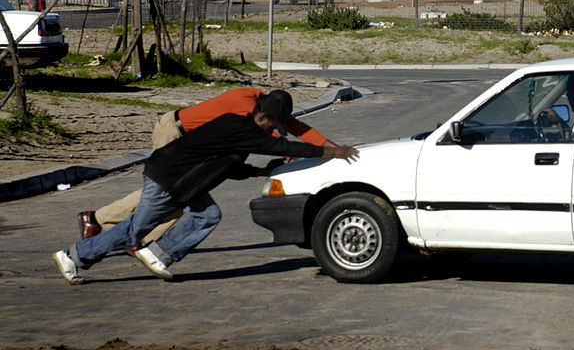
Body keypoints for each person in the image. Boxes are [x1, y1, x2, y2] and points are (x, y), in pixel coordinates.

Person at [53, 91, 360, 285]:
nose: (273, 131)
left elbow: (229, 166)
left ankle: (159, 254)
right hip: (168, 177)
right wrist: (331, 152)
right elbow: (282, 145)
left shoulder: (242, 130)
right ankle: (74, 256)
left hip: (183, 180)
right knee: (136, 230)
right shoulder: (244, 129)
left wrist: (258, 172)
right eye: (272, 125)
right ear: (263, 116)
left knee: (209, 215)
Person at [78, 88, 347, 243]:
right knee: (169, 192)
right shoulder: (245, 109)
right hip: (175, 133)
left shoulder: (266, 107)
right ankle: (106, 224)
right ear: (262, 113)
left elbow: (297, 128)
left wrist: (333, 149)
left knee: (174, 195)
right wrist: (296, 153)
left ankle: (135, 239)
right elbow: (262, 141)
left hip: (195, 144)